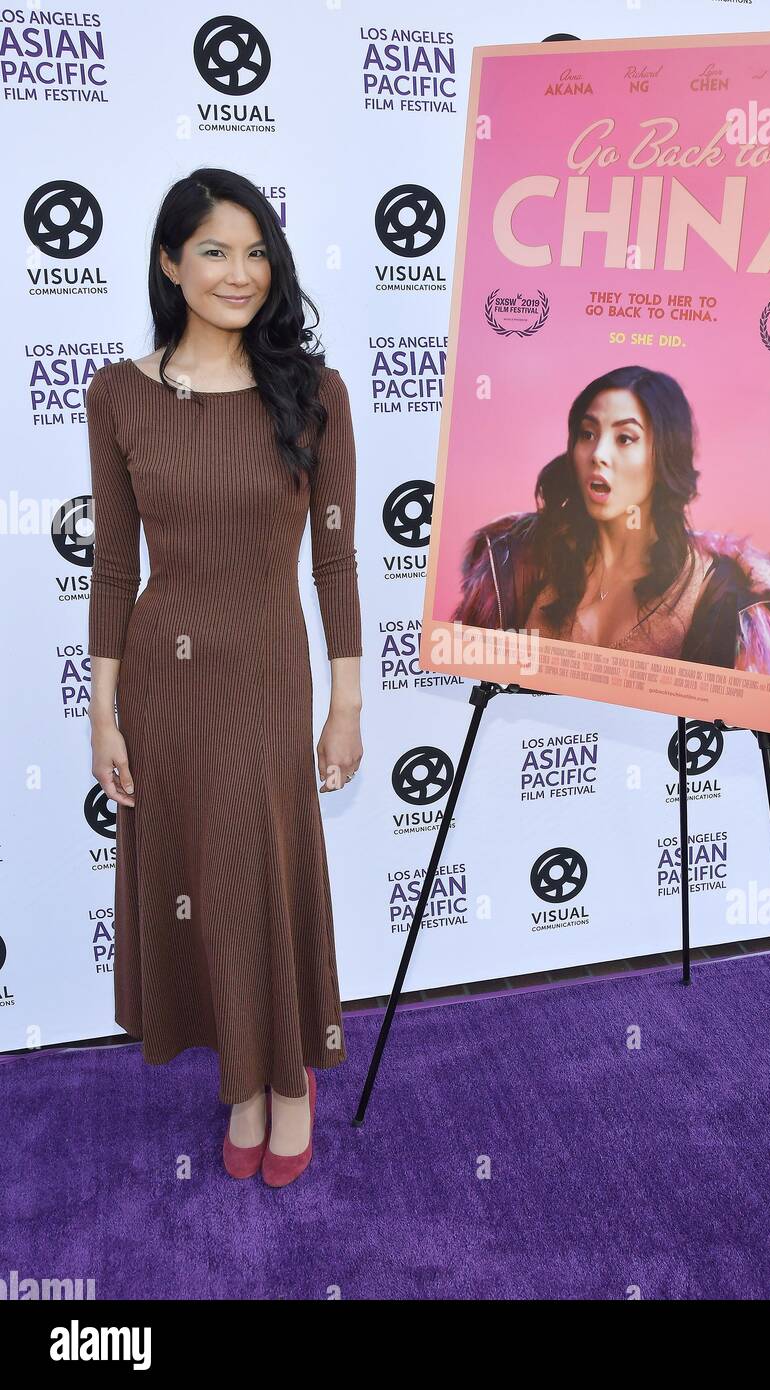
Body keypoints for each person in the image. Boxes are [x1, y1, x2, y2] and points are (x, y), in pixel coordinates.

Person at [86, 167, 363, 1187]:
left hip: (265, 672)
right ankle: (240, 1082)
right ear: (169, 261)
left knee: (262, 872)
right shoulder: (118, 395)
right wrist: (103, 711)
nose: (238, 273)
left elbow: (332, 557)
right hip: (165, 677)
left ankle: (288, 1080)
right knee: (199, 879)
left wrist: (347, 700)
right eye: (213, 250)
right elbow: (117, 566)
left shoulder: (312, 391)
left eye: (256, 252)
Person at [452, 364, 770, 677]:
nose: (598, 455)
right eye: (588, 434)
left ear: (664, 456)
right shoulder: (519, 558)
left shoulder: (719, 596)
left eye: (625, 438)